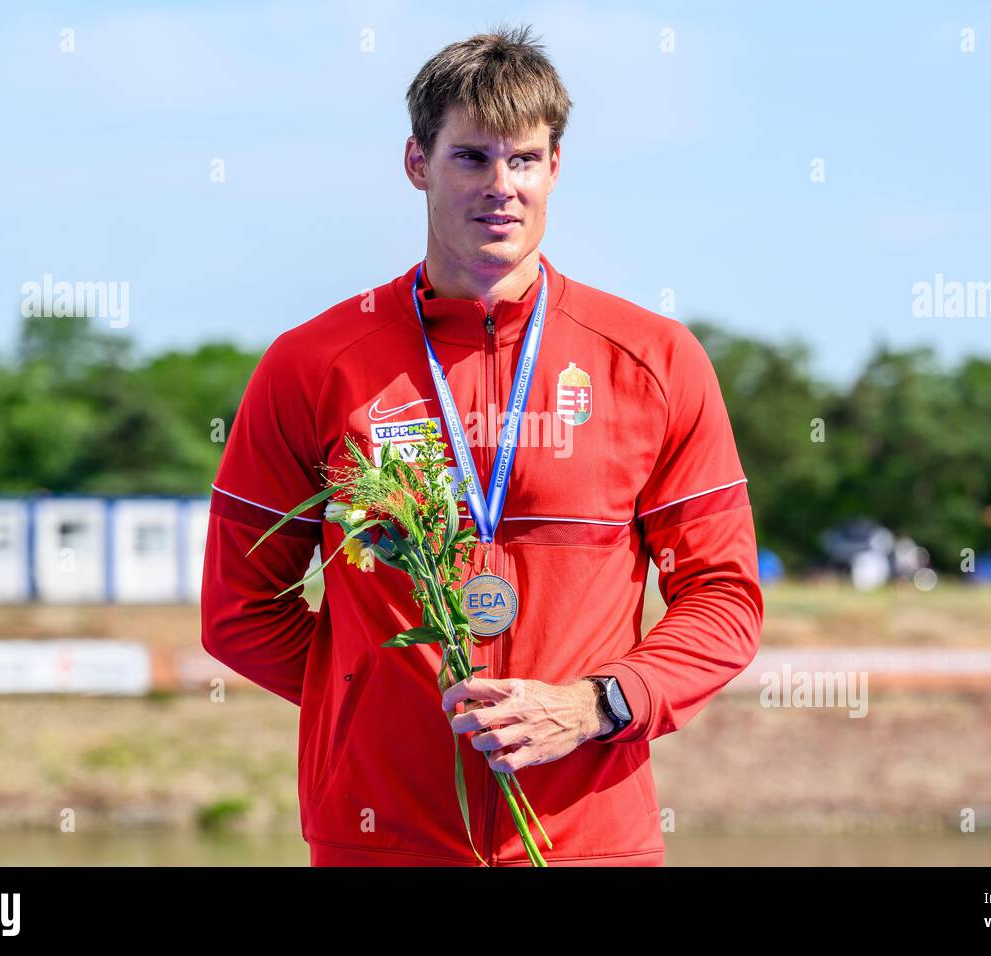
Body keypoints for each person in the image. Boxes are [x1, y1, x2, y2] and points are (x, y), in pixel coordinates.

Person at [201, 24, 763, 867]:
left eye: (525, 159)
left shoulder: (655, 358)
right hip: (380, 838)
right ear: (416, 162)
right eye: (471, 157)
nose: (501, 186)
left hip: (589, 842)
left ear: (556, 167)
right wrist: (372, 702)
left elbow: (724, 601)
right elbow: (240, 610)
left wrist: (593, 705)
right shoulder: (314, 362)